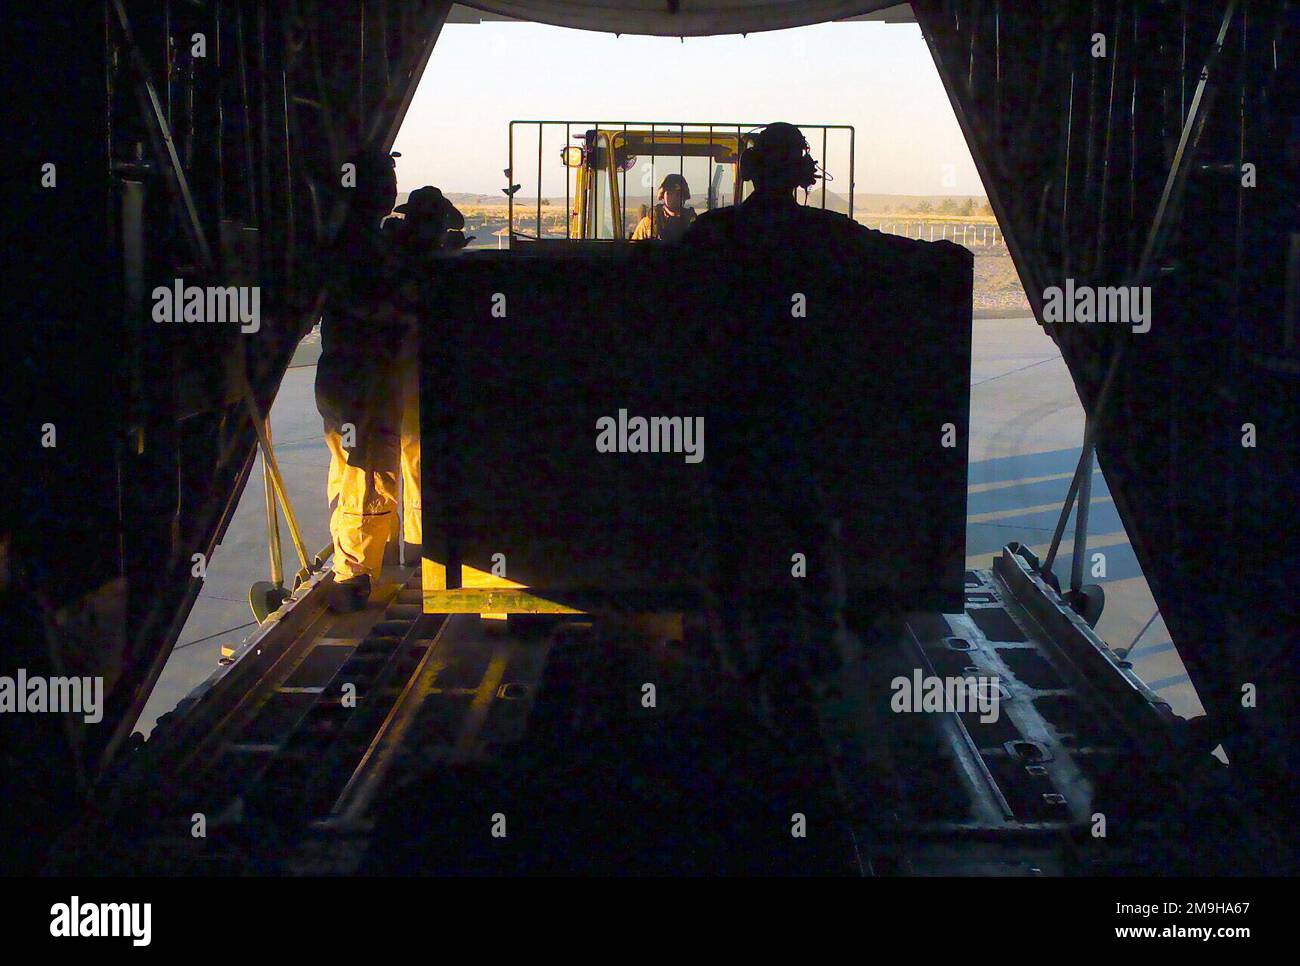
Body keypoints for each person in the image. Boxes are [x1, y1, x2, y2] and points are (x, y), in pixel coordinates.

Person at [315, 148, 439, 612]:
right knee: (366, 470)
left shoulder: (365, 238)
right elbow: (365, 306)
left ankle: (387, 557)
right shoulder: (357, 243)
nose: (391, 186)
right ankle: (354, 575)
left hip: (367, 373)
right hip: (360, 373)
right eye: (384, 178)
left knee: (369, 466)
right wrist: (405, 311)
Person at [631, 173, 697, 242]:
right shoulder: (648, 223)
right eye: (670, 193)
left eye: (678, 193)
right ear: (662, 195)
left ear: (684, 196)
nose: (674, 197)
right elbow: (633, 248)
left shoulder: (692, 222)